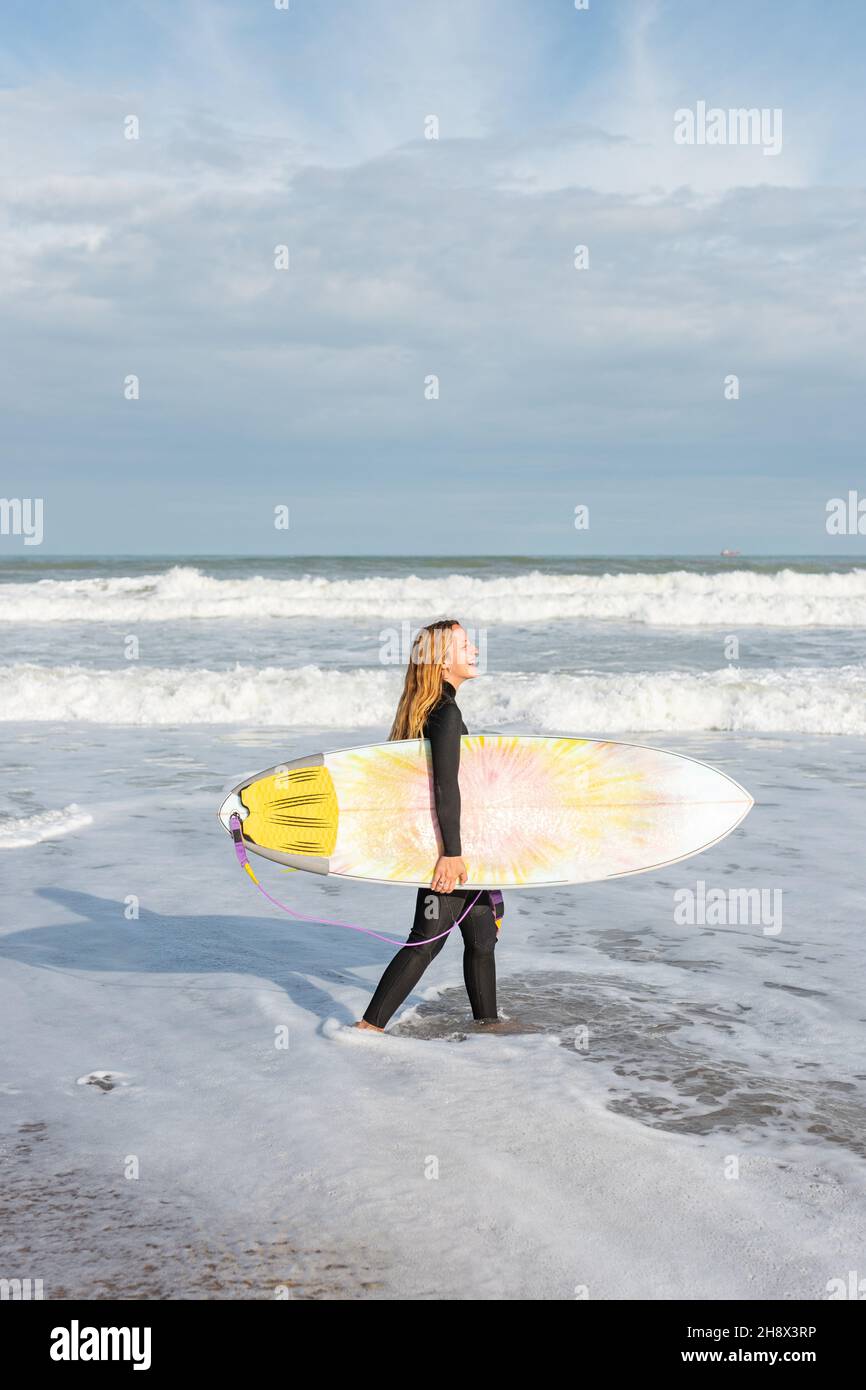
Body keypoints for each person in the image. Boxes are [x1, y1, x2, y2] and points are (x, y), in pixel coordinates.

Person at [355, 619, 503, 1032]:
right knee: (427, 938)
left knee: (481, 938)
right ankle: (369, 1028)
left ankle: (488, 1028)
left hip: (446, 843)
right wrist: (451, 854)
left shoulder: (429, 709)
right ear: (441, 661)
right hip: (447, 849)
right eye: (465, 644)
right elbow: (445, 786)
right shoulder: (446, 713)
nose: (474, 650)